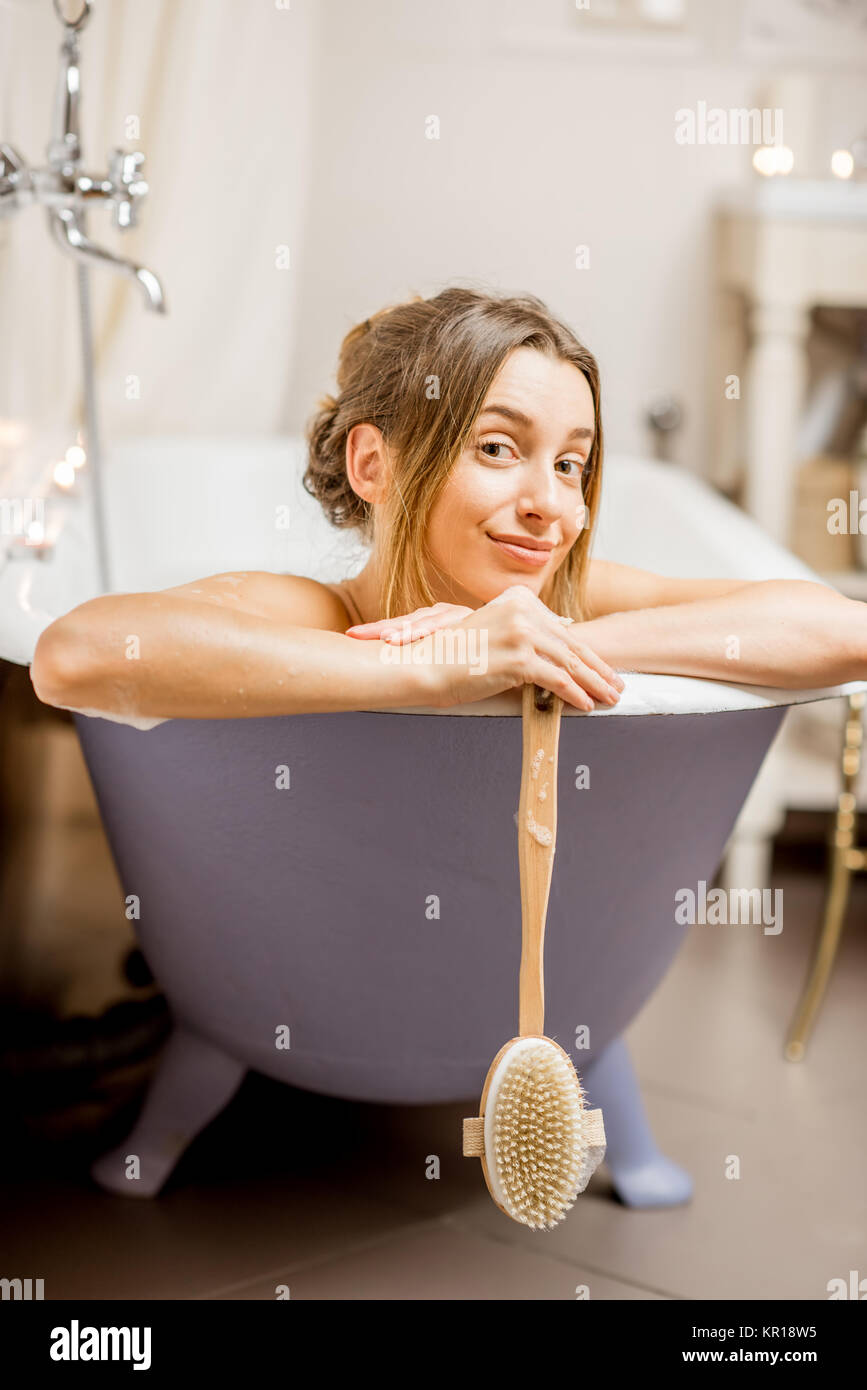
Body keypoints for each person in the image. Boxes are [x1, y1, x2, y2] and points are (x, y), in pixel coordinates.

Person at [29, 287, 866, 723]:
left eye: (572, 464)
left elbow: (843, 632)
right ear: (372, 464)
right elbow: (74, 654)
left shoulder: (567, 602)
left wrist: (556, 642)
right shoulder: (320, 612)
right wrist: (431, 667)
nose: (551, 505)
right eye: (497, 448)